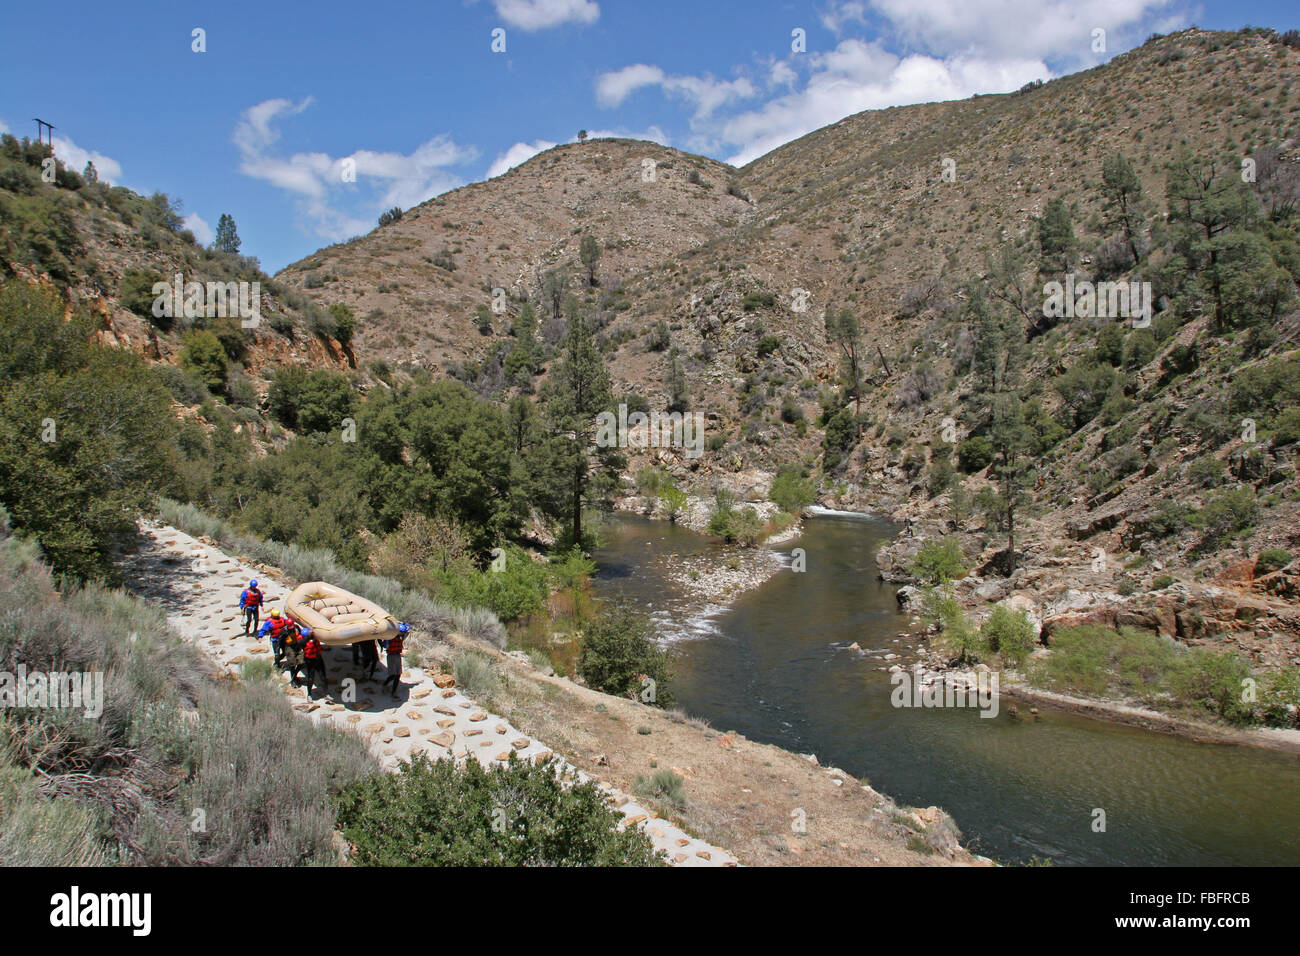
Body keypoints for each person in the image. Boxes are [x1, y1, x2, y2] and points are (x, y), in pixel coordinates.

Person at [382, 623, 409, 696]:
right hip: (391, 656)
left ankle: (393, 691)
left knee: (398, 675)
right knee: (393, 675)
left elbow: (408, 631)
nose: (401, 633)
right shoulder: (389, 638)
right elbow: (384, 644)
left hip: (397, 656)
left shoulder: (400, 637)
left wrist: (403, 624)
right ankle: (384, 685)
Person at [300, 627, 327, 697]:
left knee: (323, 676)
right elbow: (301, 642)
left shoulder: (314, 637)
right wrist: (308, 636)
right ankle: (309, 694)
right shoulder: (303, 641)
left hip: (318, 659)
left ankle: (326, 693)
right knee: (311, 677)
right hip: (310, 661)